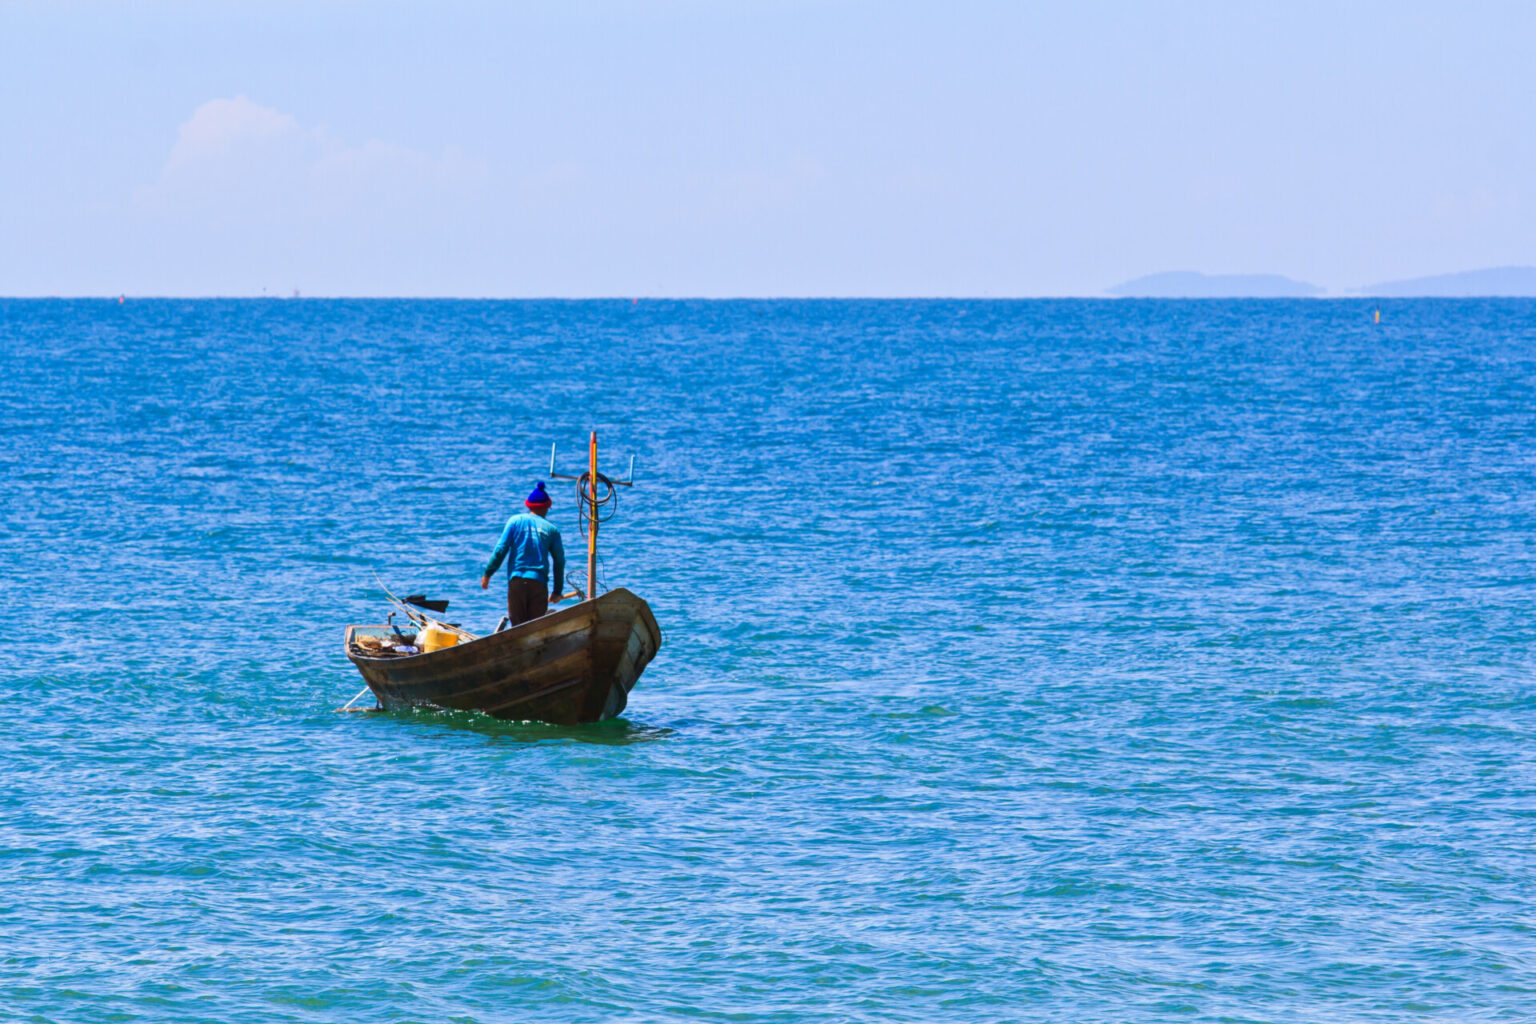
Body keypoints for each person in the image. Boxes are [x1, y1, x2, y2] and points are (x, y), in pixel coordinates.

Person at [479, 481, 566, 626]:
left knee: (517, 627)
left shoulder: (514, 521)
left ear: (528, 505)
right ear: (547, 507)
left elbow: (501, 549)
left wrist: (488, 573)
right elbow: (559, 562)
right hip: (538, 583)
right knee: (536, 626)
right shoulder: (552, 530)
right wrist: (557, 591)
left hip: (517, 581)